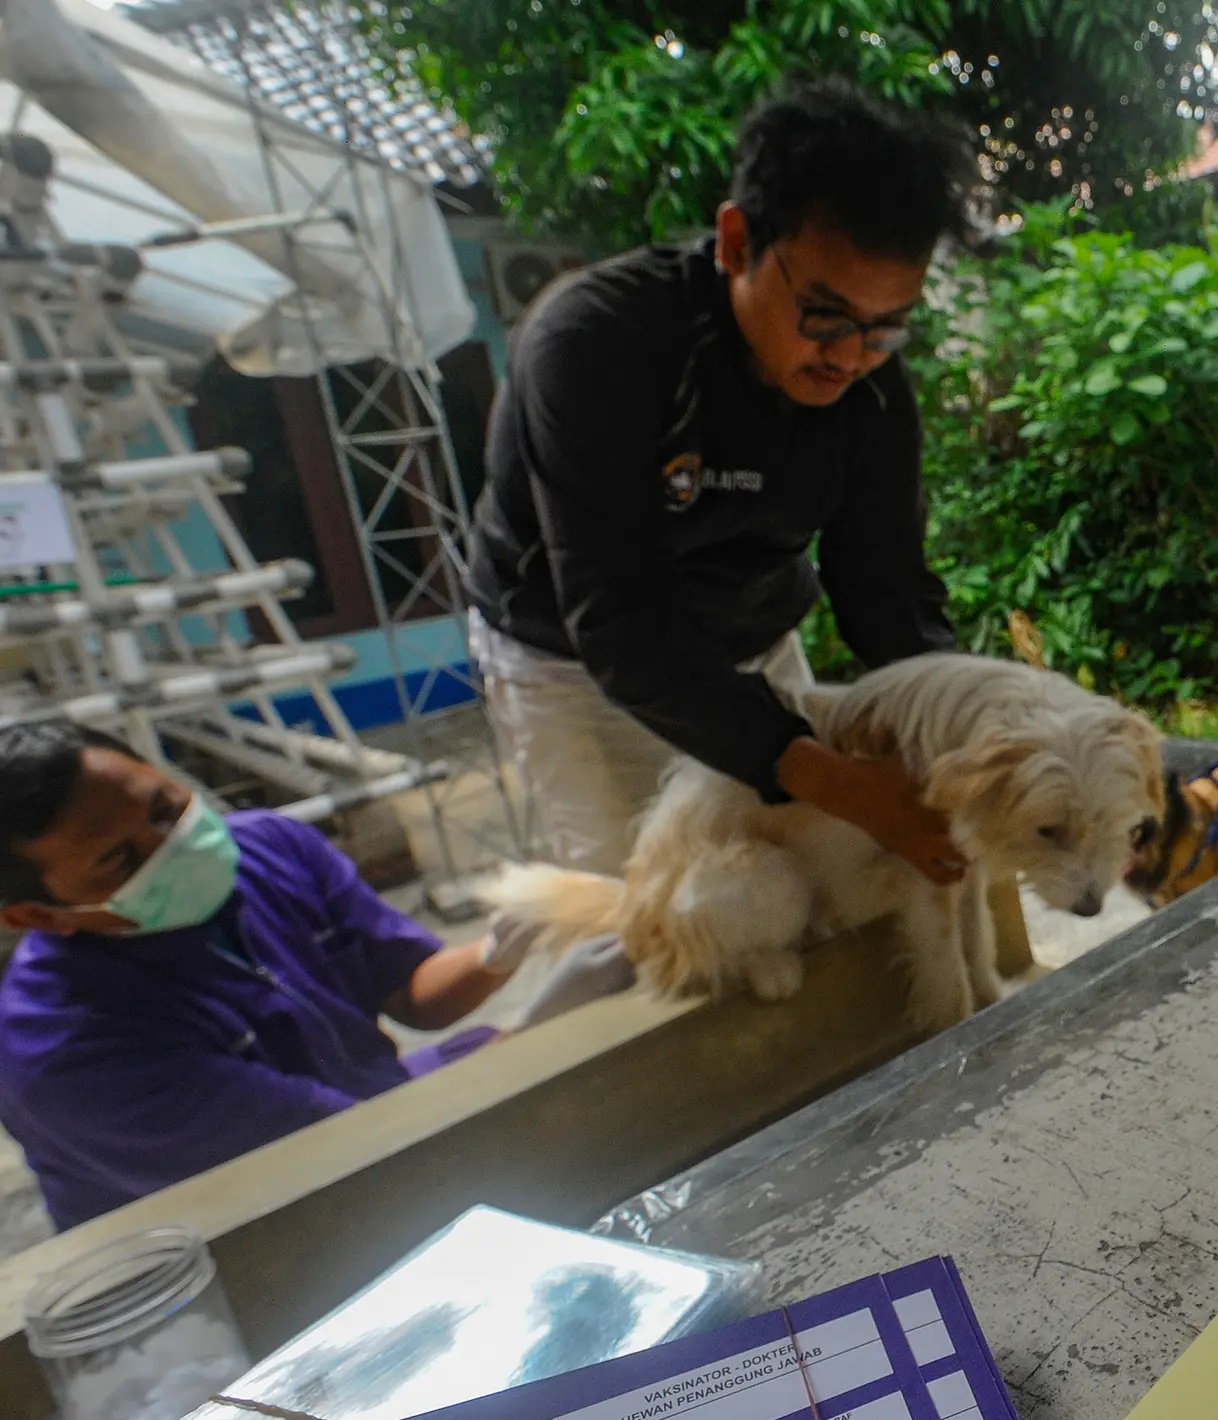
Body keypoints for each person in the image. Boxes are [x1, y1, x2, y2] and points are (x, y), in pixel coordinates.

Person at [467, 81, 971, 879]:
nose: (847, 356)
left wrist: (969, 725)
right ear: (738, 243)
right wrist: (837, 781)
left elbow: (887, 590)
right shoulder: (598, 346)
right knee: (636, 906)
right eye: (825, 315)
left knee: (808, 881)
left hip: (754, 640)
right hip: (571, 661)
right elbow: (621, 626)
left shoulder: (872, 383)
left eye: (887, 326)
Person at [0, 724, 600, 1228]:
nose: (172, 847)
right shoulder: (62, 1050)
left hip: (369, 1137)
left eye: (165, 808)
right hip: (259, 1234)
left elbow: (412, 995)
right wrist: (520, 1049)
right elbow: (344, 1151)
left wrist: (499, 948)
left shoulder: (270, 848)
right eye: (118, 860)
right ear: (35, 915)